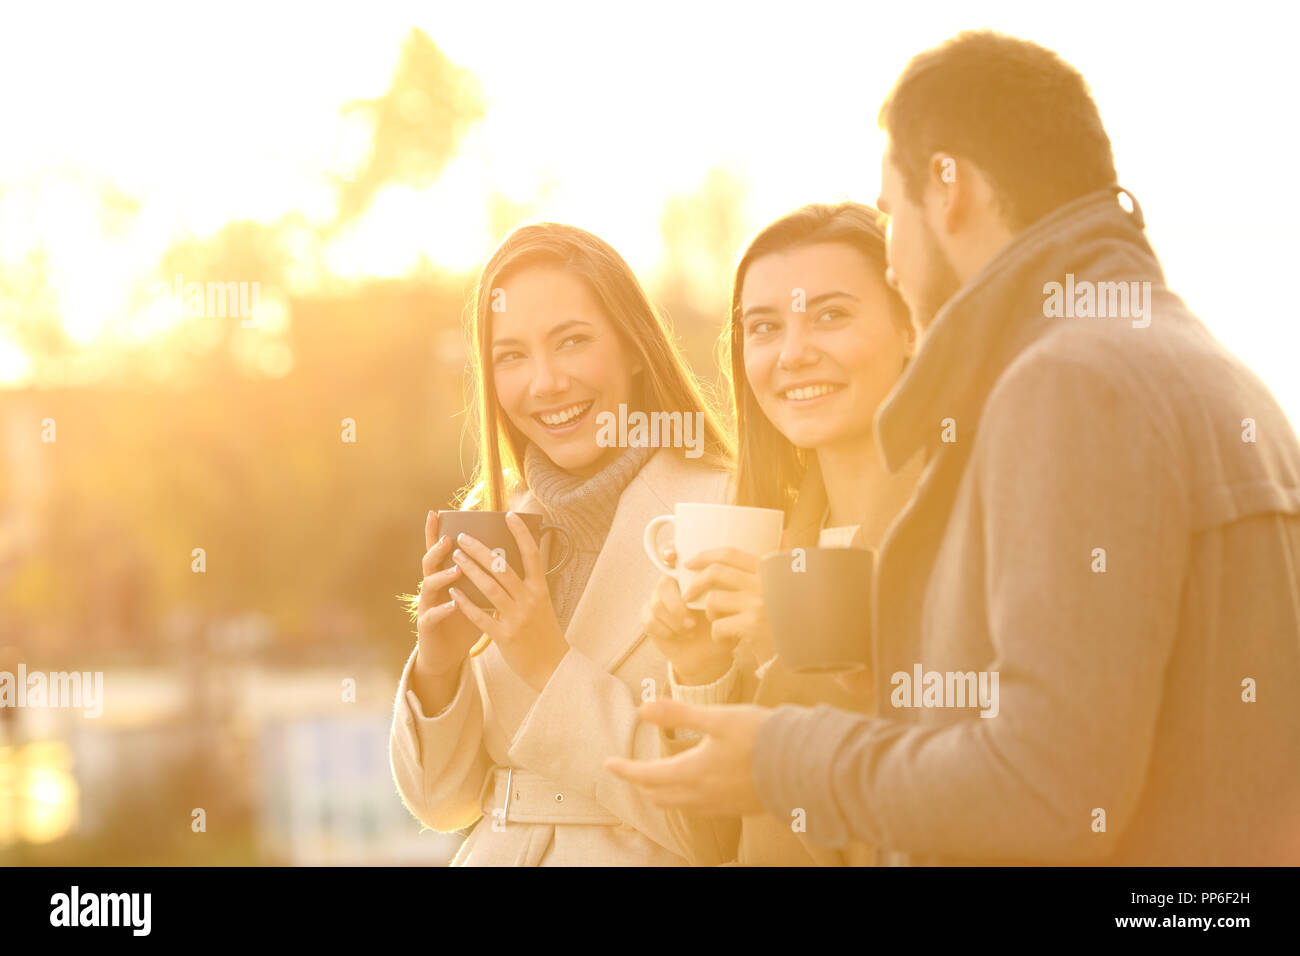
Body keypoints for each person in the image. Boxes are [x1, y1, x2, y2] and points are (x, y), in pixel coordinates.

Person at [608, 29, 1300, 865]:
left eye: (892, 215)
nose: (895, 260)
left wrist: (782, 757)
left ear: (952, 191)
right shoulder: (1209, 366)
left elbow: (1047, 789)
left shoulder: (1071, 383)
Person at [390, 222, 733, 865]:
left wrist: (547, 663)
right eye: (511, 356)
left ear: (634, 345)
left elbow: (714, 829)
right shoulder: (491, 520)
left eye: (571, 342)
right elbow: (441, 805)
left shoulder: (726, 511)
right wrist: (437, 669)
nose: (544, 383)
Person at [640, 202, 921, 865]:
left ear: (909, 326)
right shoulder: (777, 539)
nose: (793, 354)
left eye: (830, 314)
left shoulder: (964, 530)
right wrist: (701, 670)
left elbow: (954, 810)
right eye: (763, 327)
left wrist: (787, 646)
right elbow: (714, 844)